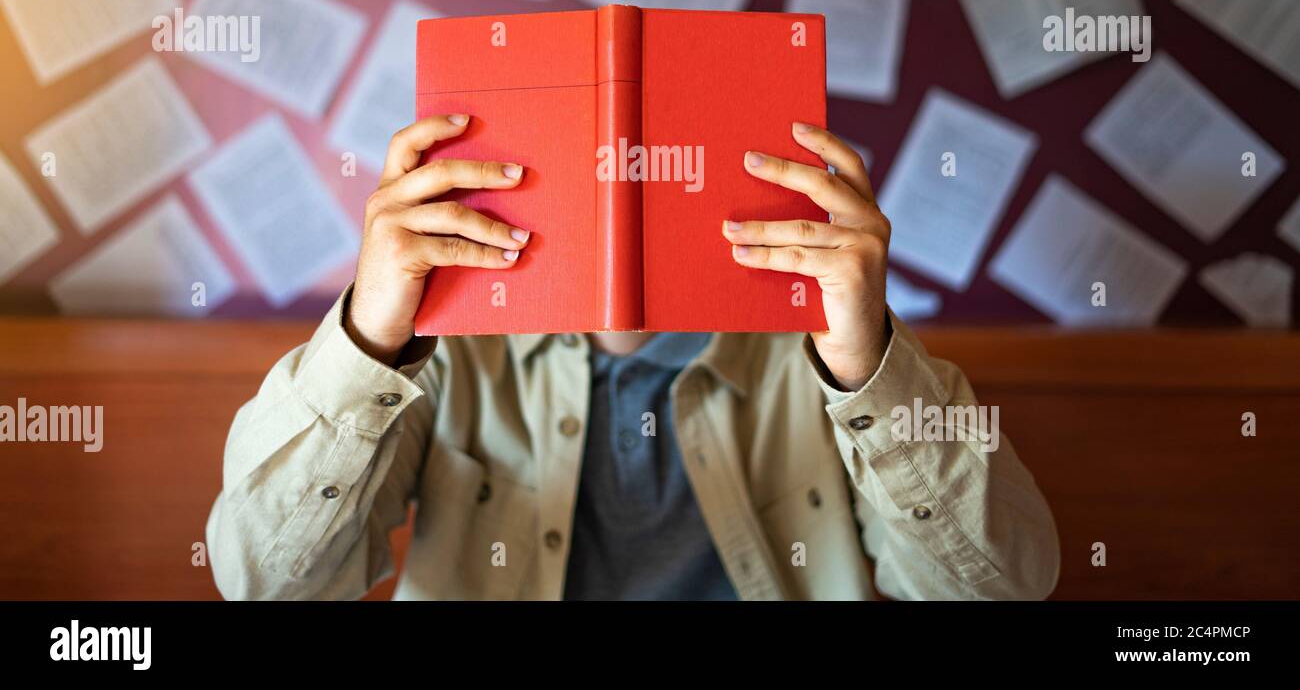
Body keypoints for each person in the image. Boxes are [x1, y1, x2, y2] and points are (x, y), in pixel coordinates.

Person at [207, 114, 1059, 600]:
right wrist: (371, 336)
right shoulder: (449, 352)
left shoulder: (824, 350)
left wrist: (866, 361)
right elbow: (261, 582)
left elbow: (1006, 587)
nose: (628, 199)